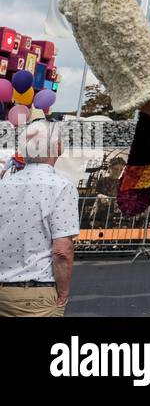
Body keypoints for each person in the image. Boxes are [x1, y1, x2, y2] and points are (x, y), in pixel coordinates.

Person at [0, 120, 79, 317]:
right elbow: (62, 251)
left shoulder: (4, 185)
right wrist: (63, 291)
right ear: (57, 147)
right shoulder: (62, 187)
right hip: (36, 291)